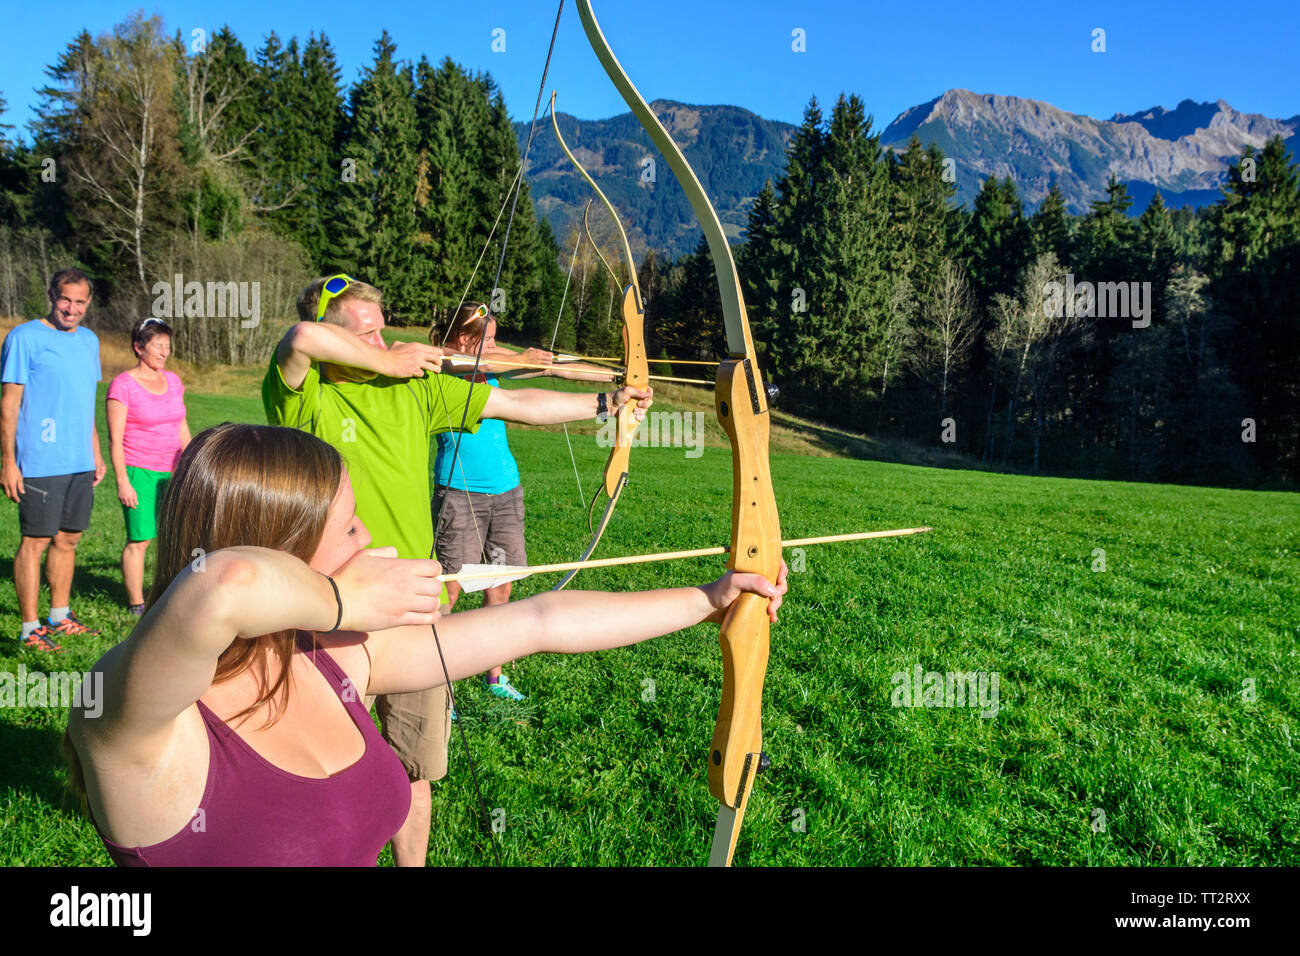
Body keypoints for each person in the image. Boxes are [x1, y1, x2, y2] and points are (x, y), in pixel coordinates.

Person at [62, 423, 786, 866]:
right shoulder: (143, 725)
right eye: (348, 530)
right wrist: (351, 599)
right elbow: (222, 586)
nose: (368, 541)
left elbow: (538, 623)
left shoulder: (332, 658)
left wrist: (709, 601)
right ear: (284, 552)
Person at [263, 275, 654, 867]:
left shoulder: (416, 393)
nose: (381, 339)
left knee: (414, 762)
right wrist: (387, 361)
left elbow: (514, 403)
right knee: (323, 763)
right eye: (364, 332)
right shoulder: (305, 393)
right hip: (330, 606)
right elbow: (299, 339)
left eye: (382, 326)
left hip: (415, 604)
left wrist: (608, 405)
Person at [434, 302, 621, 703]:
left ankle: (494, 677)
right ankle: (436, 688)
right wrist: (521, 359)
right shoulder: (442, 366)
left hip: (505, 490)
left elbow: (552, 367)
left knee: (500, 586)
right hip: (458, 494)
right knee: (448, 591)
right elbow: (499, 366)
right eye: (490, 339)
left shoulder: (492, 358)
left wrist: (620, 381)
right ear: (465, 341)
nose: (497, 346)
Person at [0, 268, 105, 651]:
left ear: (88, 303)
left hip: (78, 460)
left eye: (79, 302)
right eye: (65, 299)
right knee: (36, 541)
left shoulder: (90, 341)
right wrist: (8, 463)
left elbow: (84, 403)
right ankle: (30, 629)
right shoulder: (24, 337)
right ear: (51, 295)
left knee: (70, 538)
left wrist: (95, 451)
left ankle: (59, 617)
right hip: (41, 461)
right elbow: (8, 405)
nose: (71, 308)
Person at [106, 318, 191, 616]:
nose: (164, 351)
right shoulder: (123, 385)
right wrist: (122, 481)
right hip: (138, 470)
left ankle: (167, 593)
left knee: (173, 534)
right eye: (158, 345)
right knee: (141, 539)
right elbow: (115, 440)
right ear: (138, 347)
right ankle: (136, 604)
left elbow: (181, 424)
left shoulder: (173, 381)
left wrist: (190, 462)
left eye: (167, 345)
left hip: (174, 470)